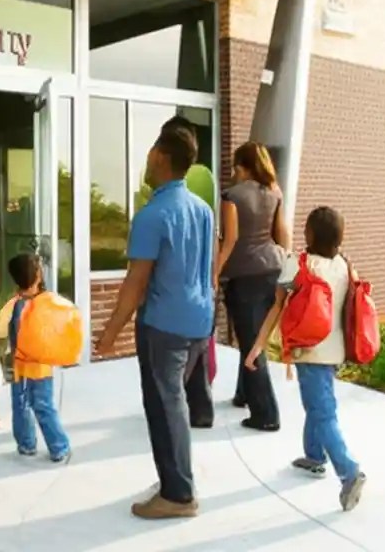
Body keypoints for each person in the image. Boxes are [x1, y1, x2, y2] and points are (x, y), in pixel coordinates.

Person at [96, 127, 215, 520]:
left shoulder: (152, 215)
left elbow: (136, 282)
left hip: (165, 326)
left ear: (161, 157)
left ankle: (179, 494)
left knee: (166, 408)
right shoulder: (202, 209)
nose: (146, 157)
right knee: (174, 404)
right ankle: (173, 480)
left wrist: (109, 332)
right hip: (199, 322)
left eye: (150, 150)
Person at [245, 206, 368, 513]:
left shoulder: (297, 264)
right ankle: (314, 457)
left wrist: (257, 345)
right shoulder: (345, 265)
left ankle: (348, 472)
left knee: (321, 411)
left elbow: (277, 307)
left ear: (310, 233)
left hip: (308, 351)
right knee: (320, 403)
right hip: (335, 351)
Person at [144, 115, 217, 428]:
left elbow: (143, 272)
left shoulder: (159, 205)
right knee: (186, 381)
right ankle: (201, 411)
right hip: (200, 307)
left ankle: (178, 476)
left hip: (169, 311)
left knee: (169, 400)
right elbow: (209, 252)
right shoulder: (202, 196)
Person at [216, 142, 289, 431]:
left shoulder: (231, 196)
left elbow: (230, 241)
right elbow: (282, 234)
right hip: (273, 270)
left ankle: (266, 415)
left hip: (244, 276)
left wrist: (215, 272)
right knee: (253, 337)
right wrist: (290, 270)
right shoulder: (275, 193)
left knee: (250, 343)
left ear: (240, 166)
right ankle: (243, 394)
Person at [0, 253, 71, 463]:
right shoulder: (48, 301)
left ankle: (26, 444)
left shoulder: (13, 304)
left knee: (21, 403)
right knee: (43, 404)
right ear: (37, 276)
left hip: (19, 367)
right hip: (41, 366)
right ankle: (58, 447)